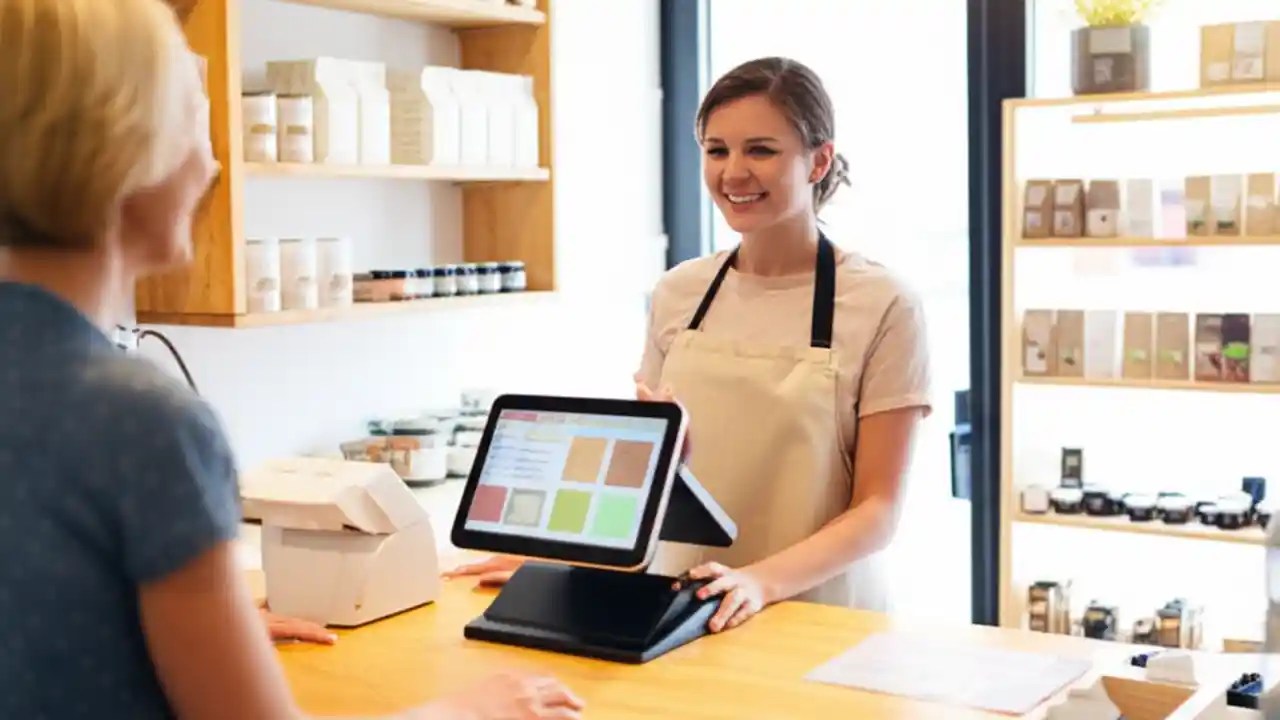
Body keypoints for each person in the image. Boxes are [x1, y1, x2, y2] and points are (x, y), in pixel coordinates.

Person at [0, 1, 584, 718]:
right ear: (122, 148)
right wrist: (467, 711)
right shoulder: (139, 421)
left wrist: (203, 631)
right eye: (194, 122)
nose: (213, 162)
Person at [448, 56, 932, 634]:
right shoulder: (680, 291)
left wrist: (758, 581)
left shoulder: (884, 303)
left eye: (761, 150)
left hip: (818, 617)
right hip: (682, 609)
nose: (733, 172)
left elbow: (877, 511)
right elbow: (639, 477)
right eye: (716, 149)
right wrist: (557, 560)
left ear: (818, 160)